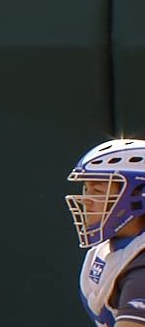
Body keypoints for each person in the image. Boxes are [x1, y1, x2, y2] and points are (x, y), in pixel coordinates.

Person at [65, 139, 145, 327]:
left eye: (97, 190)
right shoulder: (115, 247)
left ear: (138, 195)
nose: (85, 200)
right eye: (86, 188)